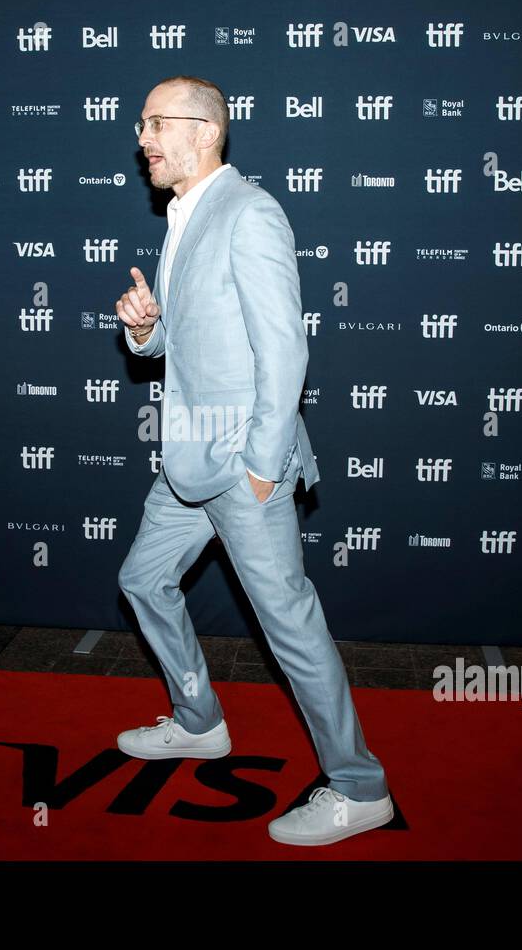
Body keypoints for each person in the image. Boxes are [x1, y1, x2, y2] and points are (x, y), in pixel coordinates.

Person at [114, 75, 393, 846]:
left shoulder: (250, 211)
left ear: (204, 132)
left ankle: (359, 786)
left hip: (242, 465)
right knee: (142, 580)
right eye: (142, 123)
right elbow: (181, 341)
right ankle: (201, 720)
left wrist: (263, 467)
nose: (143, 137)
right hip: (187, 464)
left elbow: (284, 349)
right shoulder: (184, 214)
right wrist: (145, 329)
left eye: (156, 122)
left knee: (289, 625)